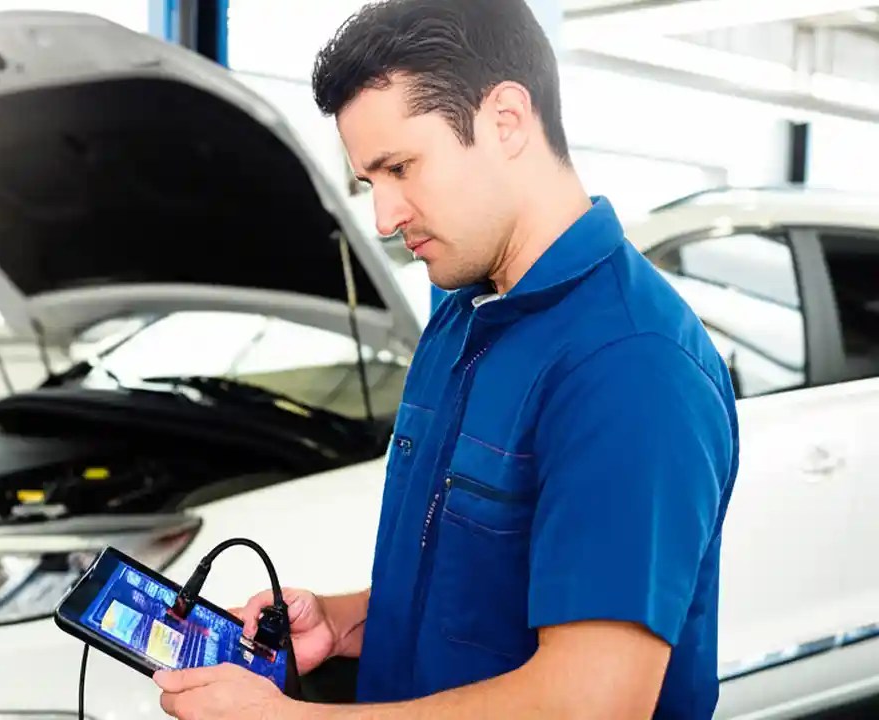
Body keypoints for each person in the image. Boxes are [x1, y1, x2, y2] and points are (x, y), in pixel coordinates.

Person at [153, 0, 740, 718]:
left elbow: (596, 701)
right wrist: (345, 623)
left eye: (401, 167)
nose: (385, 218)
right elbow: (476, 591)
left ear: (506, 121)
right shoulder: (464, 310)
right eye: (372, 182)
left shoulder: (630, 369)